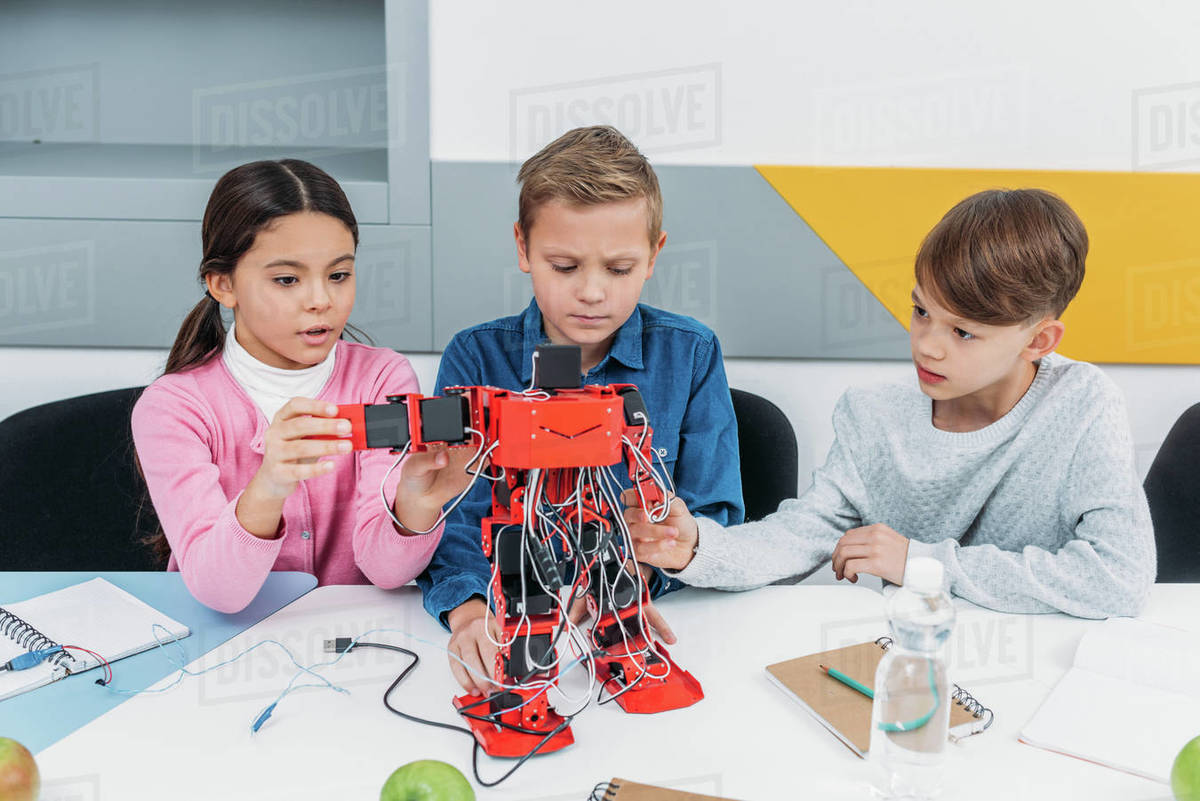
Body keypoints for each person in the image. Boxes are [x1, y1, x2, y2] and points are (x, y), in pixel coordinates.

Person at [625, 188, 1156, 619]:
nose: (927, 343)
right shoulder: (873, 415)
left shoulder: (1083, 403)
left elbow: (1120, 578)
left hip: (1040, 671)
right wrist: (696, 547)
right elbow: (796, 537)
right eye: (921, 310)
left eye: (963, 332)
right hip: (911, 665)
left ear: (1039, 341)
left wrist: (920, 564)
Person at [419, 126, 745, 694]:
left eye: (618, 269)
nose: (592, 292)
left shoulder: (690, 354)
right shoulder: (475, 358)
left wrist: (633, 581)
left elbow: (712, 512)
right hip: (511, 623)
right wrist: (469, 612)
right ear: (523, 248)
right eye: (565, 266)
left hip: (635, 620)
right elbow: (456, 518)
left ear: (653, 256)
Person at [133, 159, 475, 614]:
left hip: (351, 640)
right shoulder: (173, 409)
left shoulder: (383, 379)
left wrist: (415, 503)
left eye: (339, 275)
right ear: (223, 283)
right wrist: (270, 483)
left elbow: (387, 572)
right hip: (222, 650)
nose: (321, 301)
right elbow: (220, 593)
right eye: (287, 280)